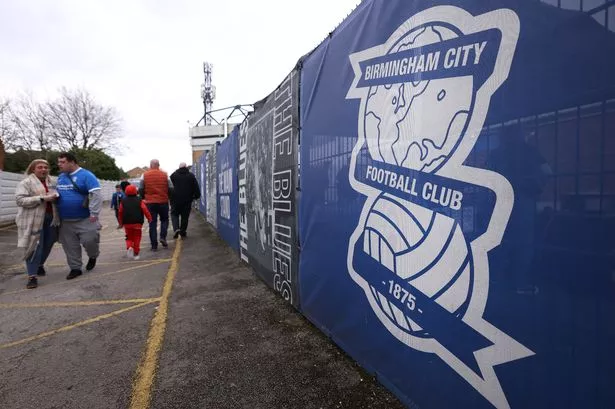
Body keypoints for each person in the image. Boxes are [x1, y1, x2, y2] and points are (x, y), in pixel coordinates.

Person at [15, 159, 60, 289]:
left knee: (49, 243)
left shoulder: (51, 181)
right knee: (34, 246)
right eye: (40, 167)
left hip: (51, 218)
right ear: (33, 169)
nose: (43, 170)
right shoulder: (26, 182)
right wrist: (41, 198)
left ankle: (39, 265)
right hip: (33, 219)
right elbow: (20, 200)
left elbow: (56, 195)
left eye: (46, 167)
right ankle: (32, 276)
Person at [56, 152, 102, 279]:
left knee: (90, 241)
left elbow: (96, 195)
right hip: (65, 220)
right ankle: (75, 268)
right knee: (70, 246)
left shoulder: (86, 175)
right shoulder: (60, 177)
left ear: (72, 162)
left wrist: (94, 213)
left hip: (85, 218)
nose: (59, 165)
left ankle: (93, 255)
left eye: (62, 162)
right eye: (58, 162)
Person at [139, 159, 173, 251]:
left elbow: (141, 188)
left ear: (150, 165)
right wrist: (168, 197)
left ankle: (154, 246)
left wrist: (143, 198)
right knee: (164, 220)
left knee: (152, 223)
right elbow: (171, 188)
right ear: (158, 165)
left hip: (150, 203)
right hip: (163, 201)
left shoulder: (144, 175)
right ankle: (163, 237)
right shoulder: (165, 174)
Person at [118, 184, 152, 260]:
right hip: (138, 223)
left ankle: (129, 247)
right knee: (137, 237)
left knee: (128, 237)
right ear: (135, 191)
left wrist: (120, 223)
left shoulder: (123, 201)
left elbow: (120, 212)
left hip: (127, 223)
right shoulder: (139, 200)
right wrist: (149, 218)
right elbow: (145, 209)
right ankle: (136, 253)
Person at [170, 162, 200, 238]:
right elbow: (195, 187)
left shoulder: (173, 175)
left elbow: (169, 187)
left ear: (179, 167)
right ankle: (182, 232)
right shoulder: (191, 176)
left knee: (174, 214)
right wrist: (197, 196)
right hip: (187, 200)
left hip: (175, 200)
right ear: (186, 167)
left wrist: (169, 196)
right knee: (185, 216)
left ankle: (176, 229)